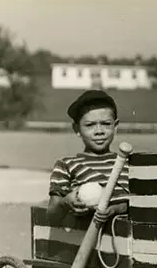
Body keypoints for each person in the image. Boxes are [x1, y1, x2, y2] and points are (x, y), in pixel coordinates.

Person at [46, 90, 129, 226]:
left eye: (106, 124)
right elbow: (51, 217)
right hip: (81, 241)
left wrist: (114, 209)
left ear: (116, 126)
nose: (99, 131)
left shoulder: (128, 164)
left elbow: (136, 205)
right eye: (90, 125)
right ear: (77, 129)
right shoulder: (66, 165)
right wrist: (64, 203)